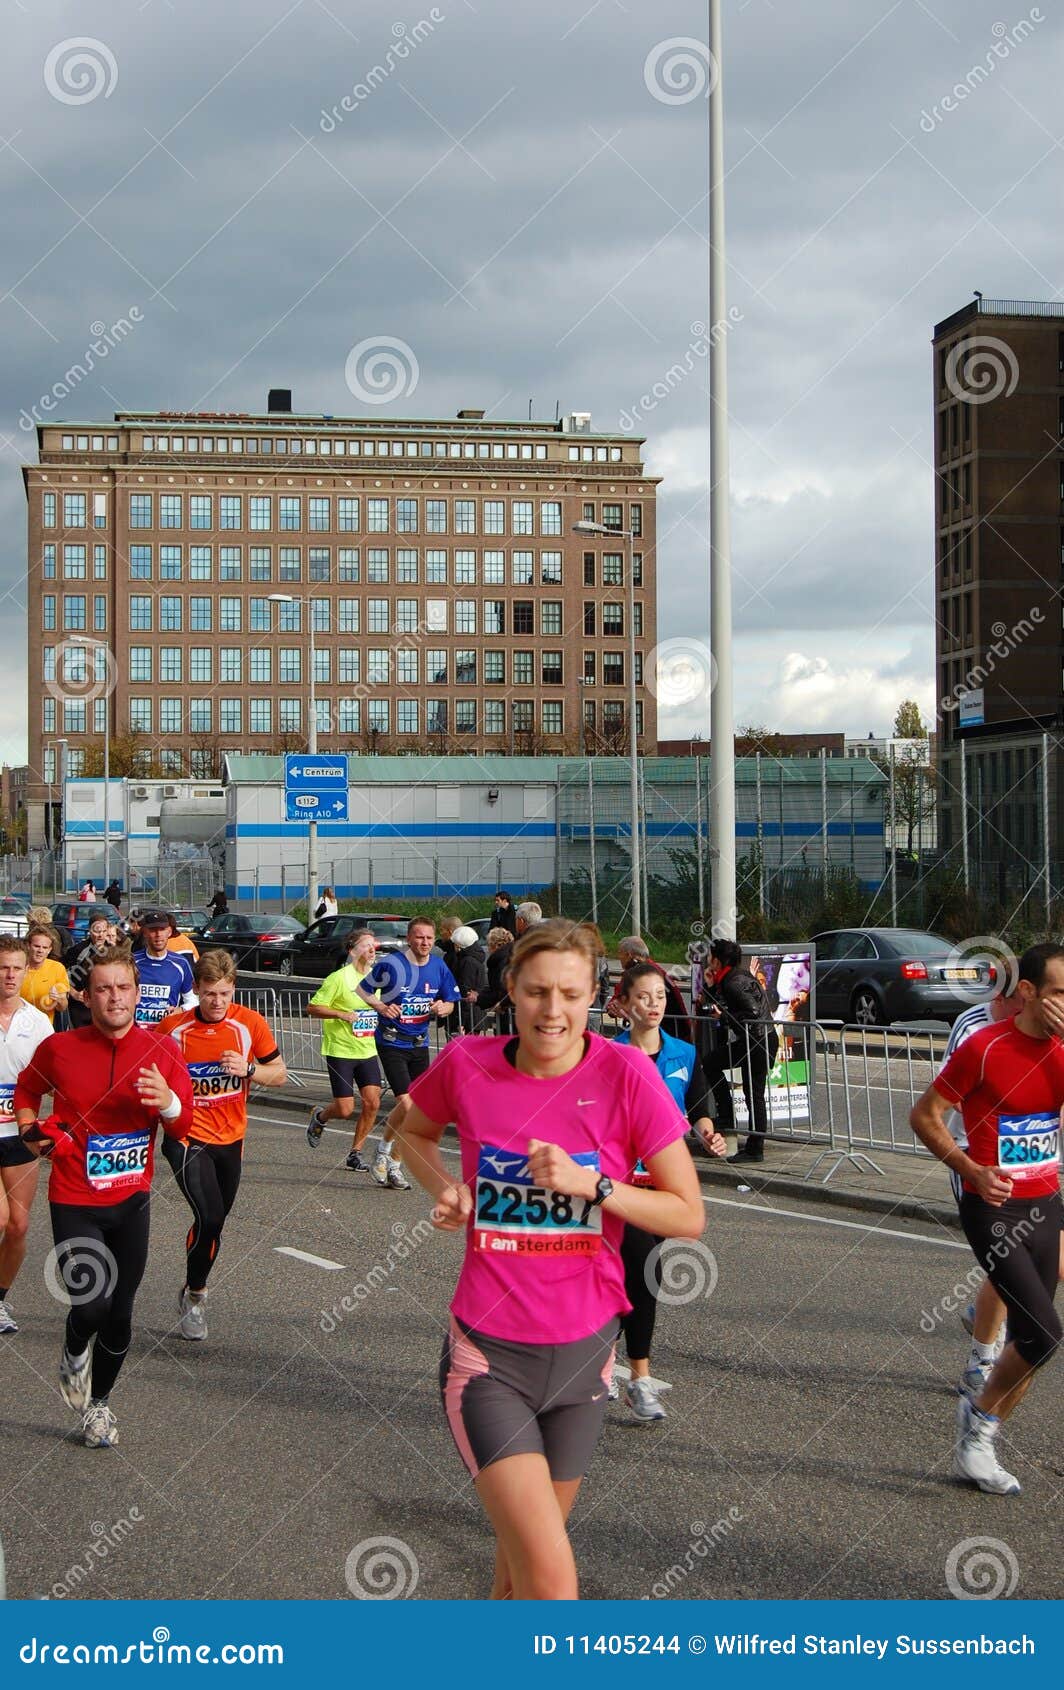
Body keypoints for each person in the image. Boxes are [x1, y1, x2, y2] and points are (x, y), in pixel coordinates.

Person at [393, 918, 705, 1600]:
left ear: (599, 995)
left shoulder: (625, 1072)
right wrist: (446, 1189)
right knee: (555, 1578)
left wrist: (593, 1185)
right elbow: (410, 1131)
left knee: (519, 1572)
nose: (553, 1011)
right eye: (537, 992)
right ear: (511, 989)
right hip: (489, 1358)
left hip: (586, 1353)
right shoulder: (470, 1063)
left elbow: (689, 1213)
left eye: (570, 993)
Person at [14, 951, 194, 1448]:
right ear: (87, 995)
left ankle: (98, 1406)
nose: (114, 997)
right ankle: (74, 1348)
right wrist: (31, 1129)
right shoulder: (61, 1048)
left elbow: (184, 1126)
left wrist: (171, 1102)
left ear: (137, 993)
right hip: (74, 1196)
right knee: (91, 1304)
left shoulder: (162, 1051)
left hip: (132, 1200)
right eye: (103, 988)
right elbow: (26, 1092)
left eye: (123, 987)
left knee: (121, 1310)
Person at [910, 942, 1064, 1496]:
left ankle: (980, 1425)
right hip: (993, 1207)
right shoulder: (983, 1047)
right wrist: (969, 1169)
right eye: (1059, 993)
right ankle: (978, 1427)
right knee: (1046, 1333)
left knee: (1030, 1341)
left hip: (1048, 1204)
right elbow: (924, 1115)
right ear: (1027, 992)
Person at [612, 962, 726, 1420]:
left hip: (665, 1188)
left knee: (637, 1279)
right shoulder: (606, 1054)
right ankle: (639, 1380)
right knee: (642, 1276)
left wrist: (707, 1133)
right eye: (643, 997)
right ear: (623, 1004)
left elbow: (697, 1107)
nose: (654, 1005)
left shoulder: (684, 1052)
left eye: (660, 996)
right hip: (618, 1186)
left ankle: (604, 1363)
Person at [158, 950, 287, 1340]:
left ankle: (190, 1286)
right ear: (196, 989)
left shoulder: (249, 1024)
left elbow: (279, 1074)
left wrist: (249, 1070)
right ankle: (197, 1296)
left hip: (230, 1138)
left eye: (226, 994)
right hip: (186, 1137)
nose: (217, 1002)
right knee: (210, 1216)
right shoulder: (172, 1029)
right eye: (210, 993)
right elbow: (146, 1076)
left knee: (213, 1222)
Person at [942, 985, 1023, 1401]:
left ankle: (987, 1311)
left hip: (1032, 1165)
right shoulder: (974, 1027)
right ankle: (980, 1364)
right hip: (976, 1157)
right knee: (1007, 1259)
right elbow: (953, 1098)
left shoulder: (1046, 1030)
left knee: (1037, 1266)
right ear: (1006, 997)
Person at [358, 916, 459, 1190]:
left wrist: (443, 1008)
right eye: (419, 937)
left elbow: (450, 1001)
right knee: (410, 1105)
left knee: (415, 1107)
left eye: (428, 938)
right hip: (391, 1042)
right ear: (409, 938)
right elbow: (363, 990)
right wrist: (381, 1007)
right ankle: (391, 1160)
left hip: (418, 1044)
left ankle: (387, 1155)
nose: (424, 943)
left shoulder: (439, 966)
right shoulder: (392, 964)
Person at [0, 938, 55, 1334]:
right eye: (3, 967)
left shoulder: (38, 1023)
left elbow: (54, 1081)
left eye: (16, 968)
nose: (9, 975)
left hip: (19, 1134)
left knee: (18, 1225)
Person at [306, 929, 383, 1171]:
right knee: (345, 1108)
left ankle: (355, 1153)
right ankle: (320, 1117)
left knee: (373, 1103)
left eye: (373, 946)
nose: (372, 950)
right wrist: (340, 1013)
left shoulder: (377, 978)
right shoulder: (339, 978)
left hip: (367, 1049)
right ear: (352, 951)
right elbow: (313, 1007)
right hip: (340, 1050)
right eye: (365, 945)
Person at [702, 939, 779, 1165]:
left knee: (753, 1094)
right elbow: (728, 1004)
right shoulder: (732, 977)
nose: (708, 961)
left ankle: (755, 1148)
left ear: (717, 960)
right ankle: (728, 1116)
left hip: (759, 1041)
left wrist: (723, 1017)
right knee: (712, 1063)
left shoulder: (734, 981)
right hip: (754, 1040)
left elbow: (752, 1012)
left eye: (710, 957)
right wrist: (710, 986)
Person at [609, 937, 693, 1042]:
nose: (619, 957)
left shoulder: (640, 973)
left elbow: (622, 998)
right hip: (671, 1030)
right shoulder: (654, 969)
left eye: (620, 953)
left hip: (661, 1031)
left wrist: (621, 1009)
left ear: (628, 954)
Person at [133, 911, 196, 1026]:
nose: (158, 934)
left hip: (166, 1033)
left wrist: (180, 1010)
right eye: (153, 930)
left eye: (162, 929)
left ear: (169, 932)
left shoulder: (181, 963)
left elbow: (193, 1000)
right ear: (145, 933)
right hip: (136, 1034)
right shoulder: (131, 961)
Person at [66, 912, 123, 1030]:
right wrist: (74, 993)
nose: (100, 935)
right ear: (89, 930)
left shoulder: (115, 951)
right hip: (80, 1007)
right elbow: (61, 975)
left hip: (106, 1003)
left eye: (103, 931)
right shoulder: (77, 951)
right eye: (97, 931)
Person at [21, 927, 69, 1026]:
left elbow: (62, 1007)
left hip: (44, 1028)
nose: (40, 950)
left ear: (49, 950)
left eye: (45, 947)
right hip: (18, 1027)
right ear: (28, 946)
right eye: (37, 946)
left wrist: (58, 999)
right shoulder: (17, 966)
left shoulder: (57, 968)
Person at [449, 925, 488, 1036]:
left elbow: (465, 990)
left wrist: (461, 1021)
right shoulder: (476, 957)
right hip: (474, 1015)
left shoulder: (467, 962)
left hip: (468, 1018)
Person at [478, 927, 515, 1035]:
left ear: (496, 945)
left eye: (489, 945)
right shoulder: (511, 956)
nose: (488, 949)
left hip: (507, 1012)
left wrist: (480, 998)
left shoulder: (500, 962)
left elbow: (500, 989)